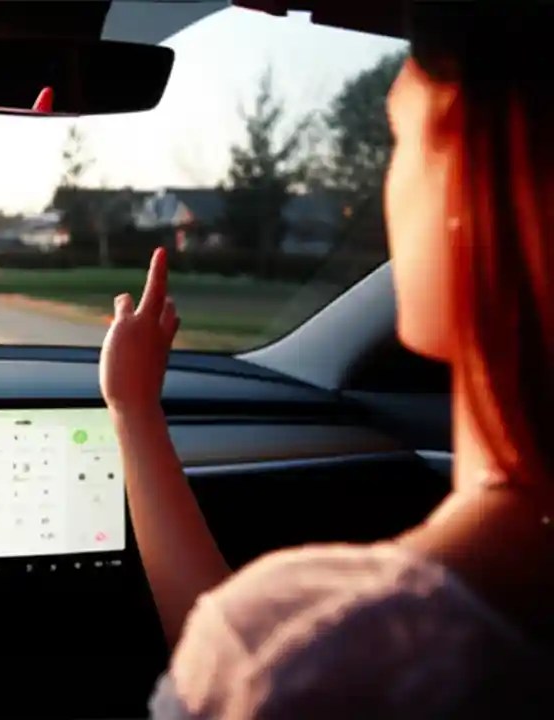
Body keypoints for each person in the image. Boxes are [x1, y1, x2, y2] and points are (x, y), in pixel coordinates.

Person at [99, 3, 554, 716]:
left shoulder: (313, 658)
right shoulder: (287, 650)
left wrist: (132, 412)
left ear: (472, 168)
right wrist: (136, 412)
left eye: (398, 136)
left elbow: (233, 665)